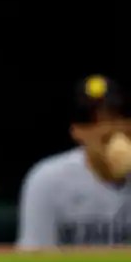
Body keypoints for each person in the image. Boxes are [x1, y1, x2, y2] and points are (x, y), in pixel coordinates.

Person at [16, 75, 131, 249]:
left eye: (117, 117)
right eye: (93, 122)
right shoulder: (48, 180)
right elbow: (34, 259)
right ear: (77, 132)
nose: (108, 129)